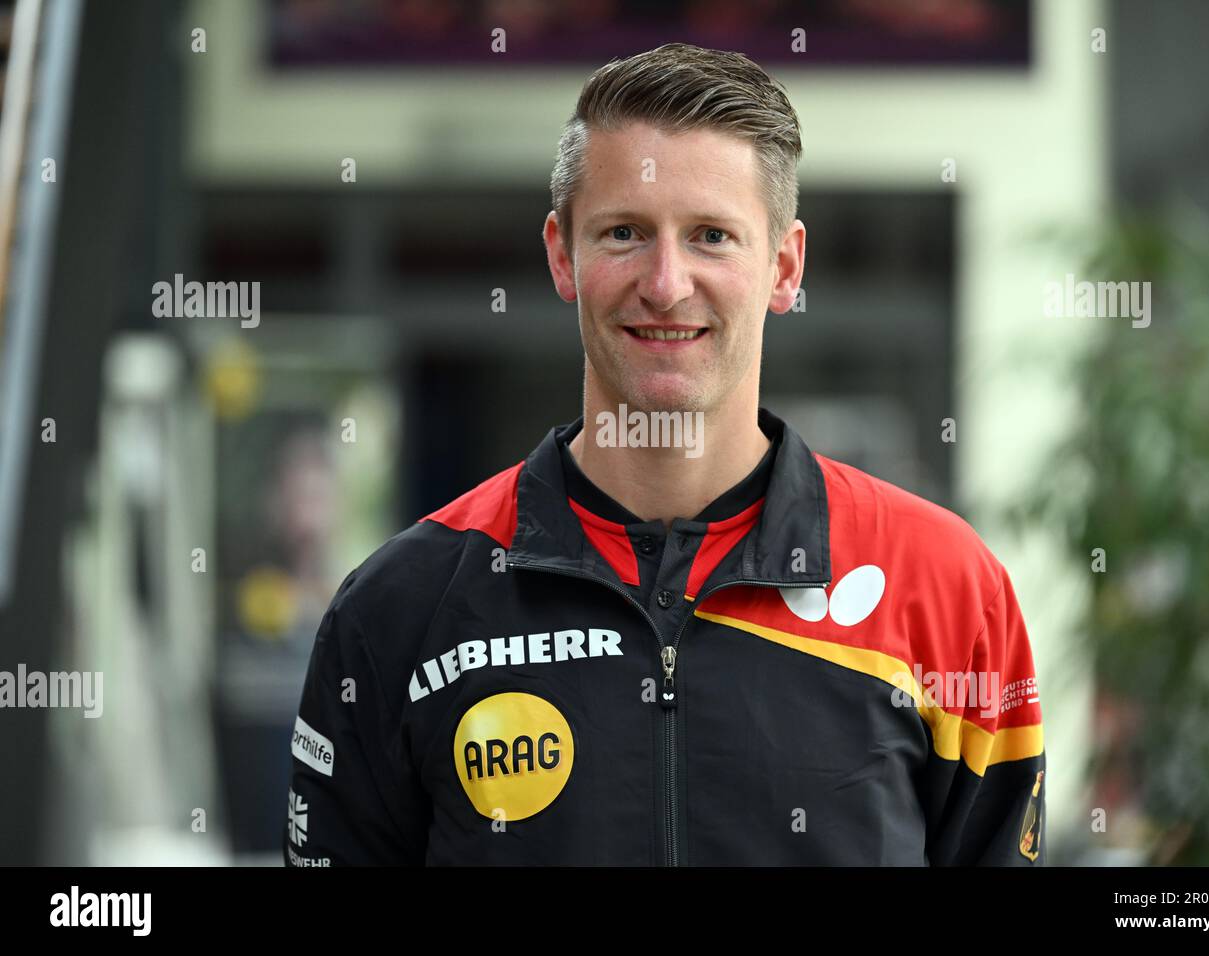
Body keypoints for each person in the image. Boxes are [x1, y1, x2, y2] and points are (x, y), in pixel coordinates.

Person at [283, 42, 1045, 866]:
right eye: (625, 233)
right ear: (562, 255)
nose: (666, 283)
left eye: (712, 236)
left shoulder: (947, 589)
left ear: (785, 267)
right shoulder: (400, 608)